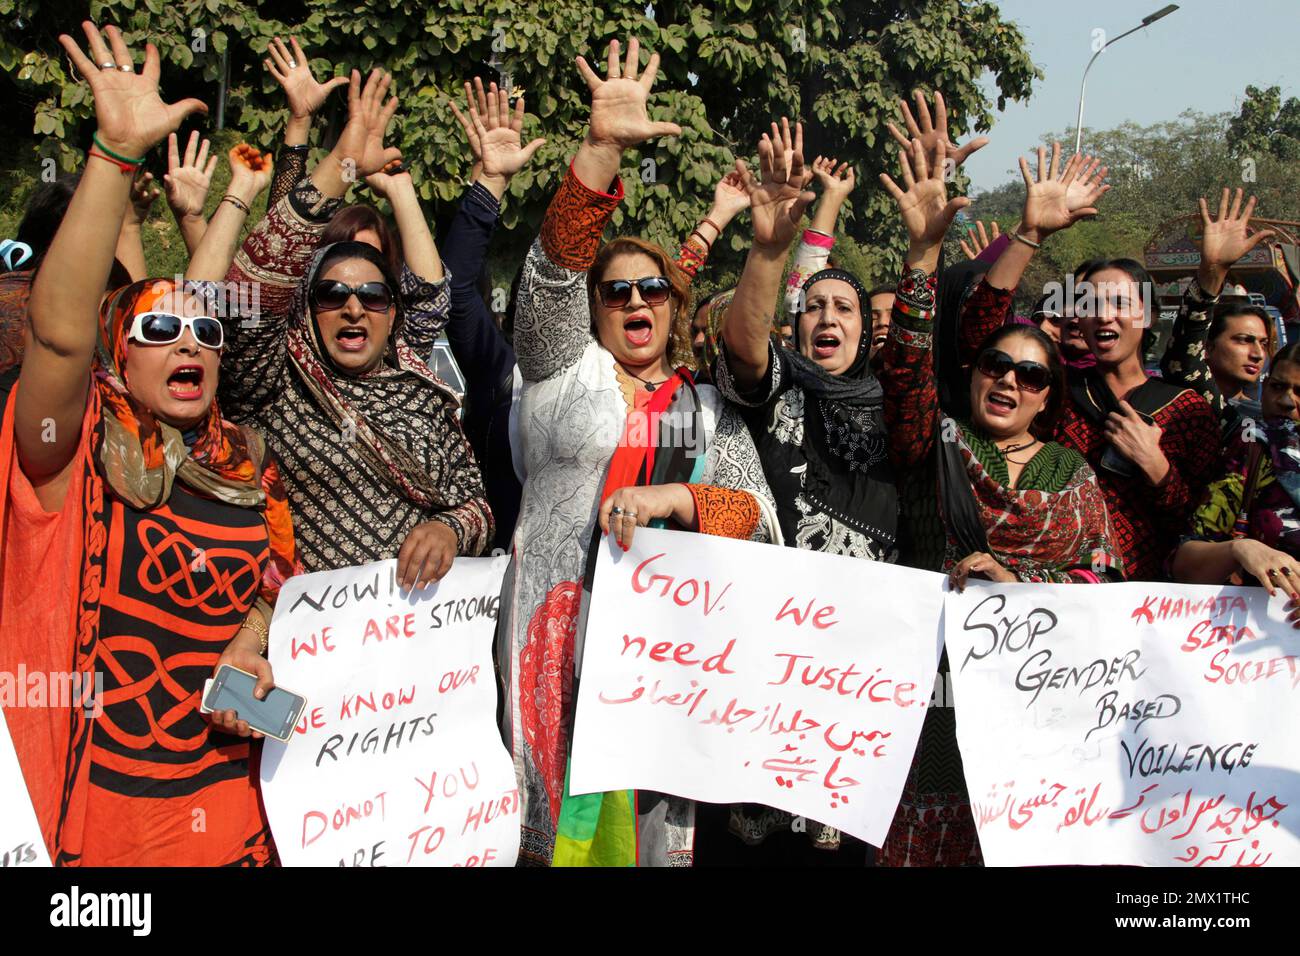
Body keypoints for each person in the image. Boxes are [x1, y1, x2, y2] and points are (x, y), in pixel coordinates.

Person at [0, 22, 296, 865]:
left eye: (206, 331)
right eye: (161, 330)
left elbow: (277, 590)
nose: (191, 342)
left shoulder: (247, 464)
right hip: (96, 834)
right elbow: (57, 340)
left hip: (235, 824)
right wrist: (113, 157)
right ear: (117, 355)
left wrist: (254, 638)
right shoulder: (71, 448)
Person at [503, 38, 780, 867]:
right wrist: (599, 154)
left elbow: (758, 523)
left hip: (662, 668)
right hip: (552, 643)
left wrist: (677, 502)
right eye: (614, 289)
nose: (634, 299)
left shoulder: (702, 406)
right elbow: (552, 276)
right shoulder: (560, 368)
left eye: (652, 288)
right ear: (593, 309)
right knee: (551, 841)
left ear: (673, 305)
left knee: (652, 843)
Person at [220, 65, 492, 581]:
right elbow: (253, 285)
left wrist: (451, 529)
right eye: (331, 294)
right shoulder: (276, 380)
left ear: (393, 313)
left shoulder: (418, 388)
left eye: (372, 295)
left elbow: (477, 506)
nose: (353, 308)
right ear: (304, 305)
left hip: (413, 637)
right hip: (304, 637)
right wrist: (341, 164)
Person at [954, 146, 1220, 582]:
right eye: (1090, 303)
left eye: (1119, 302)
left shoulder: (1188, 411)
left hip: (1146, 607)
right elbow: (981, 336)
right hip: (1047, 592)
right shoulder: (1053, 394)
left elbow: (1203, 529)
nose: (1103, 315)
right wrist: (1030, 233)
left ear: (1147, 315)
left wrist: (1158, 469)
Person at [1170, 340, 1300, 626]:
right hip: (1253, 652)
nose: (1287, 401)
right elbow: (1185, 565)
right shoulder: (1252, 448)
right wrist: (1240, 550)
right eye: (1277, 387)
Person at [1161, 188, 1277, 436]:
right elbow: (1184, 356)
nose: (1257, 354)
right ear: (1208, 347)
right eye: (1244, 340)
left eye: (1264, 343)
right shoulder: (1197, 405)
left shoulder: (1267, 421)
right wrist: (1213, 270)